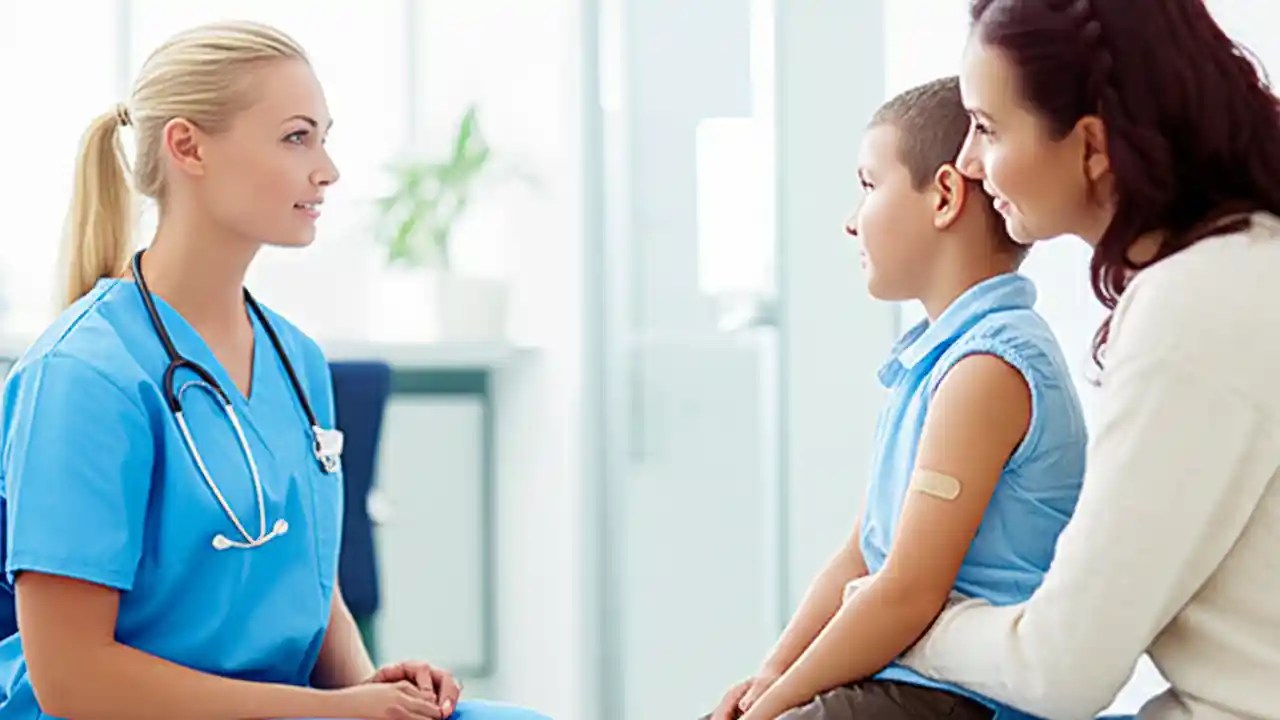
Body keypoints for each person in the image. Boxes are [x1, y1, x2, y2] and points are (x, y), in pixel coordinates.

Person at [0, 20, 547, 720]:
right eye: (297, 137)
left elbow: (313, 586)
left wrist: (372, 690)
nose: (327, 169)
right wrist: (327, 712)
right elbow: (72, 681)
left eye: (324, 137)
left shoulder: (296, 361)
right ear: (188, 147)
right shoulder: (83, 374)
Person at [887, 2, 1280, 719]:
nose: (968, 164)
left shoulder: (1195, 306)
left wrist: (915, 621)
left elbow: (1059, 670)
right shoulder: (1245, 266)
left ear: (1092, 146)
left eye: (987, 128)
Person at [705, 76, 1087, 720]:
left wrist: (777, 706)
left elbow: (908, 592)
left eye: (867, 185)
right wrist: (769, 676)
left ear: (943, 195)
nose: (851, 222)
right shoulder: (935, 362)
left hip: (960, 702)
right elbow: (864, 552)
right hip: (904, 683)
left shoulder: (987, 370)